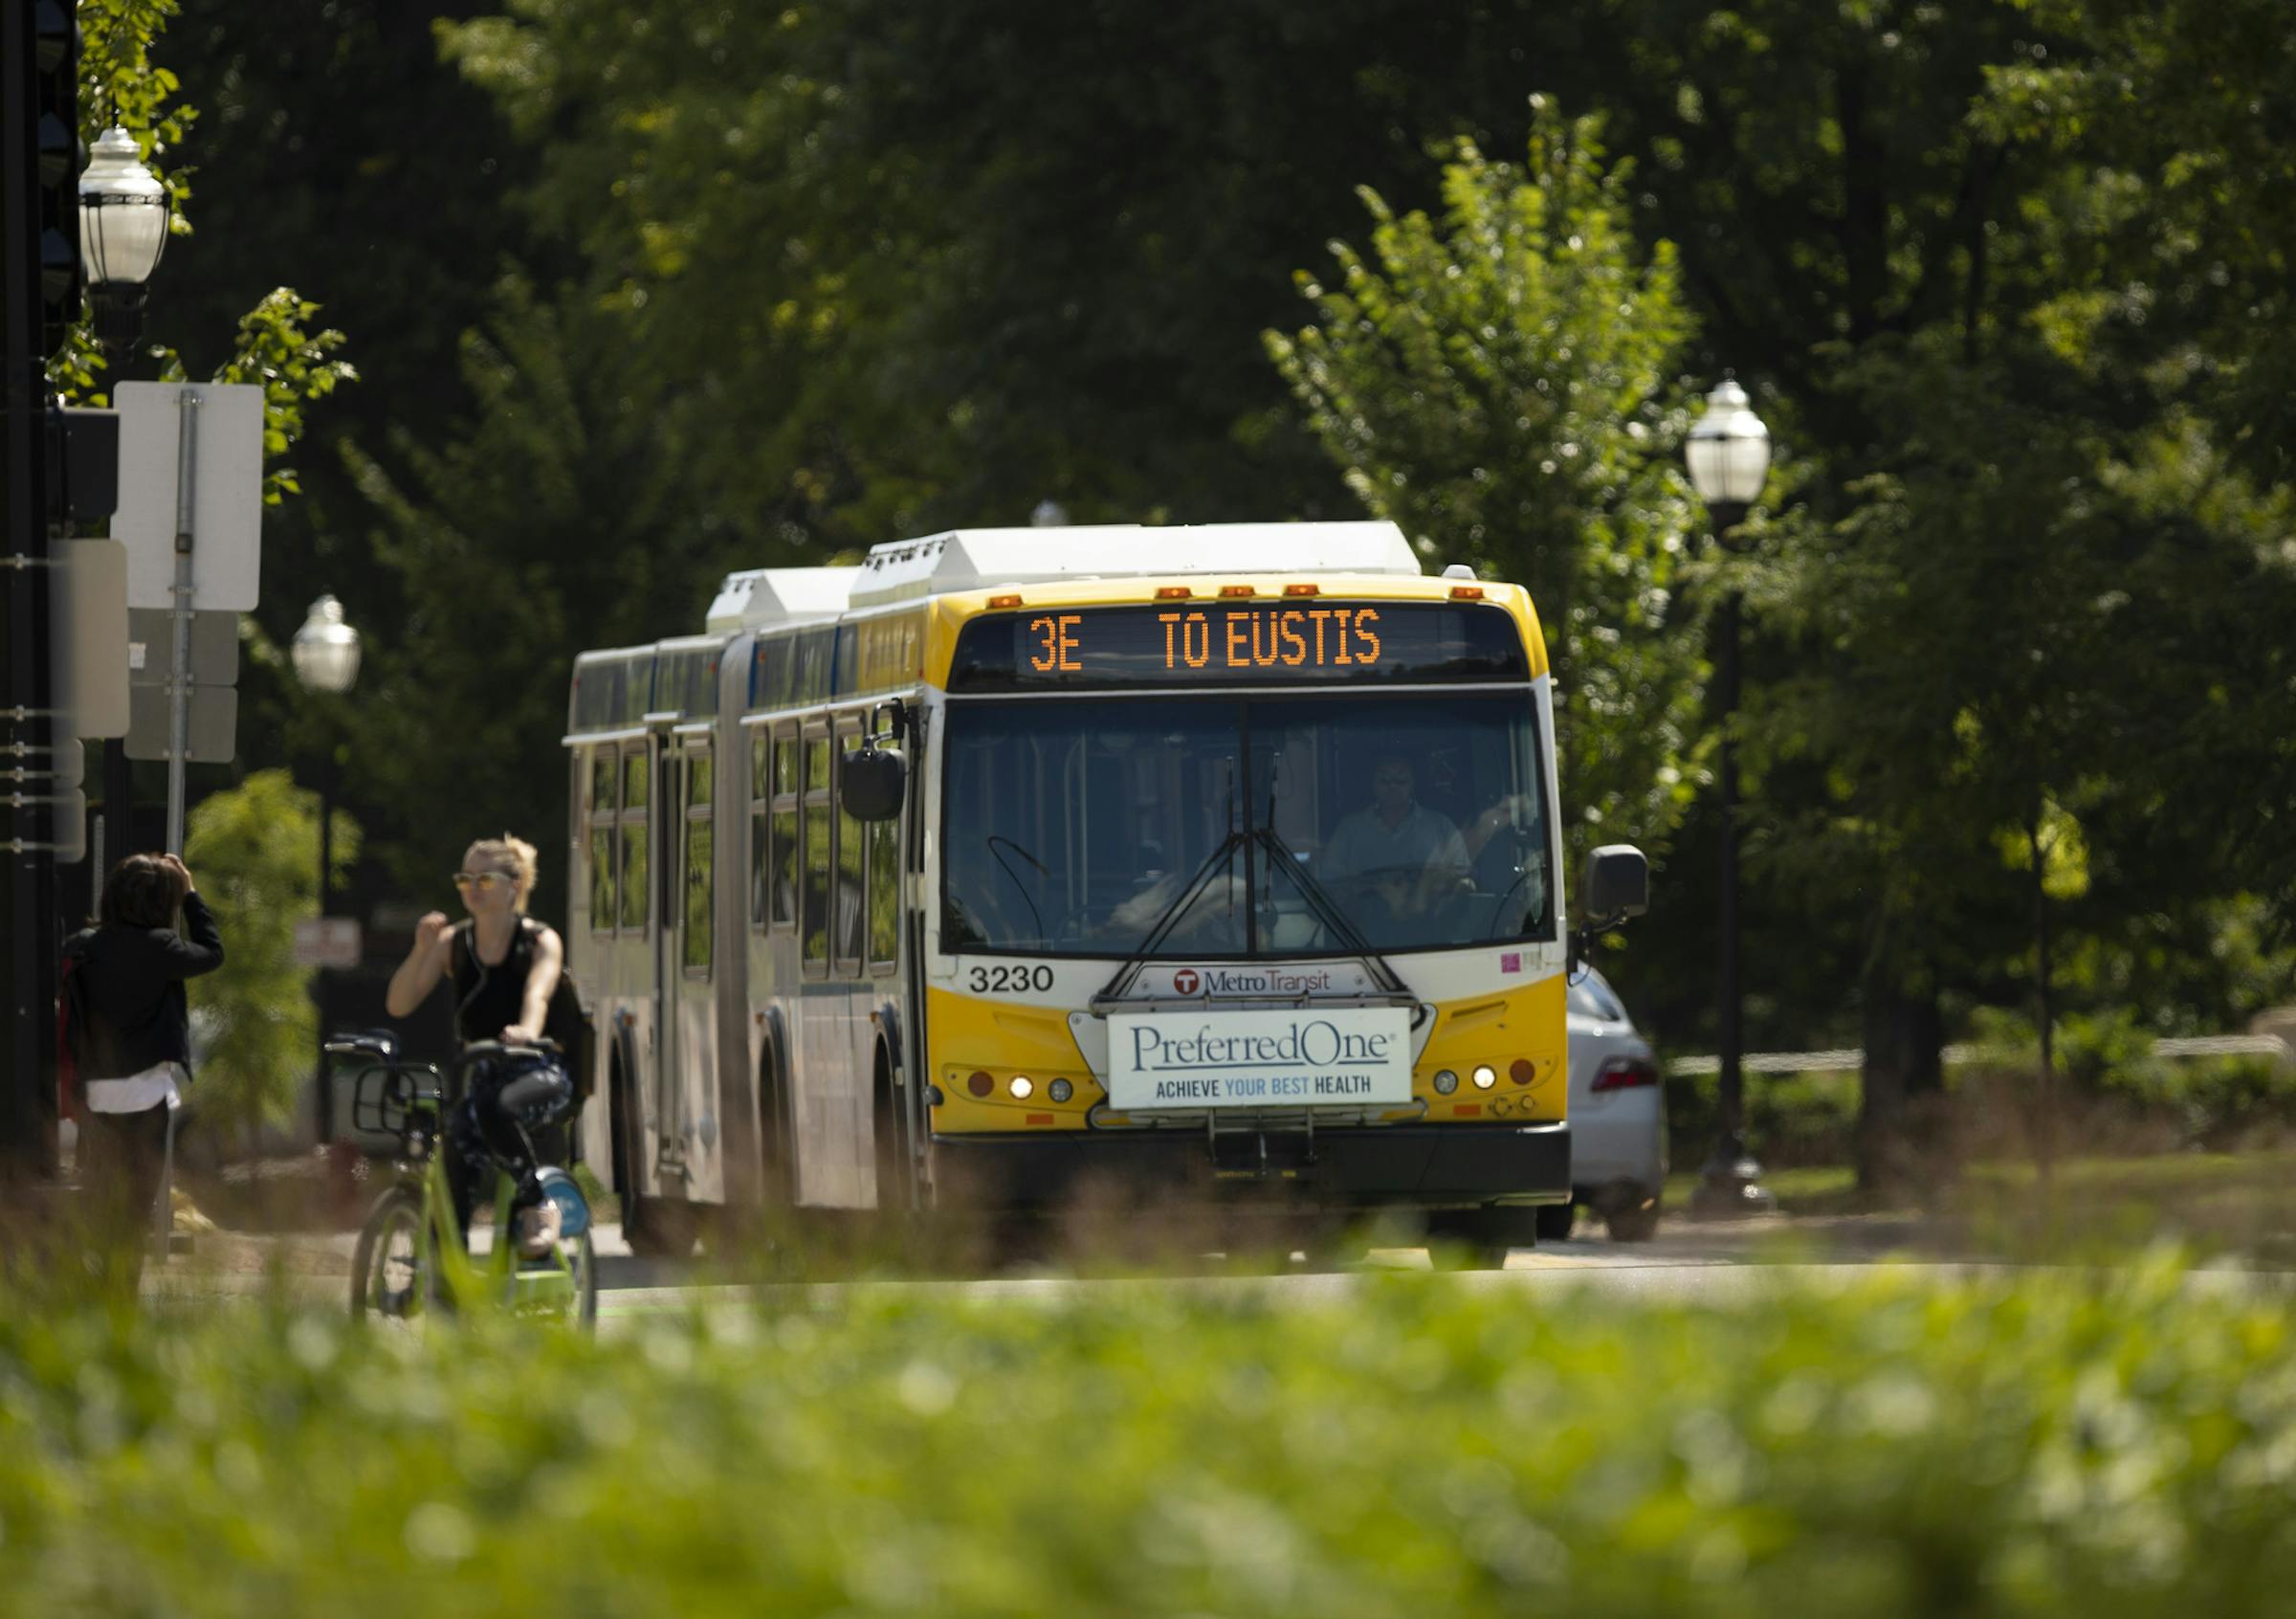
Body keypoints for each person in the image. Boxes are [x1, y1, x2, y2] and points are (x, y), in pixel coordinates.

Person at [385, 834, 572, 1258]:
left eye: (485, 879)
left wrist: (525, 1031)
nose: (473, 887)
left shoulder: (540, 940)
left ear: (515, 884)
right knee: (456, 1152)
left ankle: (537, 1202)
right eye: (465, 879)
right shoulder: (454, 943)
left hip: (537, 1070)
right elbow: (399, 1003)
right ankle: (450, 1276)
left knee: (495, 1109)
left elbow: (537, 995)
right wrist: (420, 953)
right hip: (483, 1071)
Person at [60, 853, 224, 1276]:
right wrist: (190, 894)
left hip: (96, 1097)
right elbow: (212, 952)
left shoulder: (84, 947)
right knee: (135, 1209)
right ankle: (121, 1302)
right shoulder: (161, 948)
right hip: (147, 1097)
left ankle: (92, 1288)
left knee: (99, 1198)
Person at [1319, 755, 1474, 925]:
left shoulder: (1440, 825)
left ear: (1413, 783)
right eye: (1384, 780)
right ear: (1373, 784)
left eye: (1401, 780)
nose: (1393, 786)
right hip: (1359, 932)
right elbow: (1330, 881)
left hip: (1430, 929)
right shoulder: (1349, 828)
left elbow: (1463, 875)